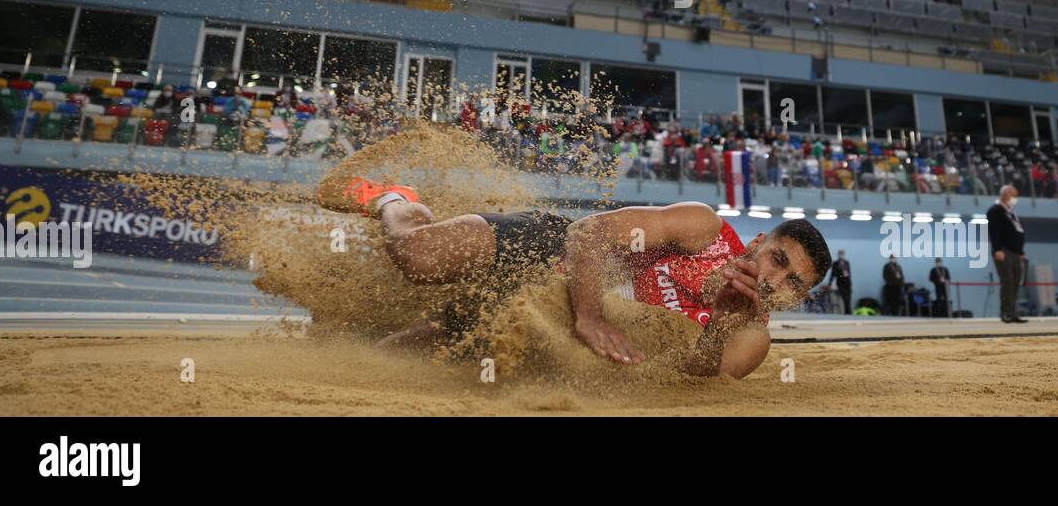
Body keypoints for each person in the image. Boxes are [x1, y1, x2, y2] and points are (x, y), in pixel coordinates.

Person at [317, 177, 831, 379]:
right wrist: (589, 313)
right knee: (419, 258)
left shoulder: (751, 336)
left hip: (544, 320)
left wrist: (718, 326)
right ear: (760, 239)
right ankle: (396, 199)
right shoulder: (703, 228)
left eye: (792, 286)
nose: (772, 281)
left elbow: (686, 381)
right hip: (556, 253)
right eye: (778, 259)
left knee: (389, 357)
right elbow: (587, 233)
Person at [987, 184, 1027, 323]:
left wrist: (1021, 251)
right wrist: (997, 249)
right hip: (1004, 251)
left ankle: (1013, 311)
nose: (1015, 199)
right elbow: (994, 231)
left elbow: (1017, 231)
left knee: (1016, 282)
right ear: (1005, 195)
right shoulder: (996, 210)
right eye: (1013, 195)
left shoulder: (1011, 212)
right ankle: (1006, 313)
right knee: (1008, 282)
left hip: (1015, 252)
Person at [828, 249, 852, 314]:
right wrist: (829, 284)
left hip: (847, 283)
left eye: (842, 254)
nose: (841, 255)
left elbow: (848, 274)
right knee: (840, 299)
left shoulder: (846, 263)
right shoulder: (835, 263)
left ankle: (848, 312)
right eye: (840, 254)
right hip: (840, 283)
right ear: (838, 255)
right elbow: (832, 274)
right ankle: (841, 312)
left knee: (848, 299)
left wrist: (850, 284)